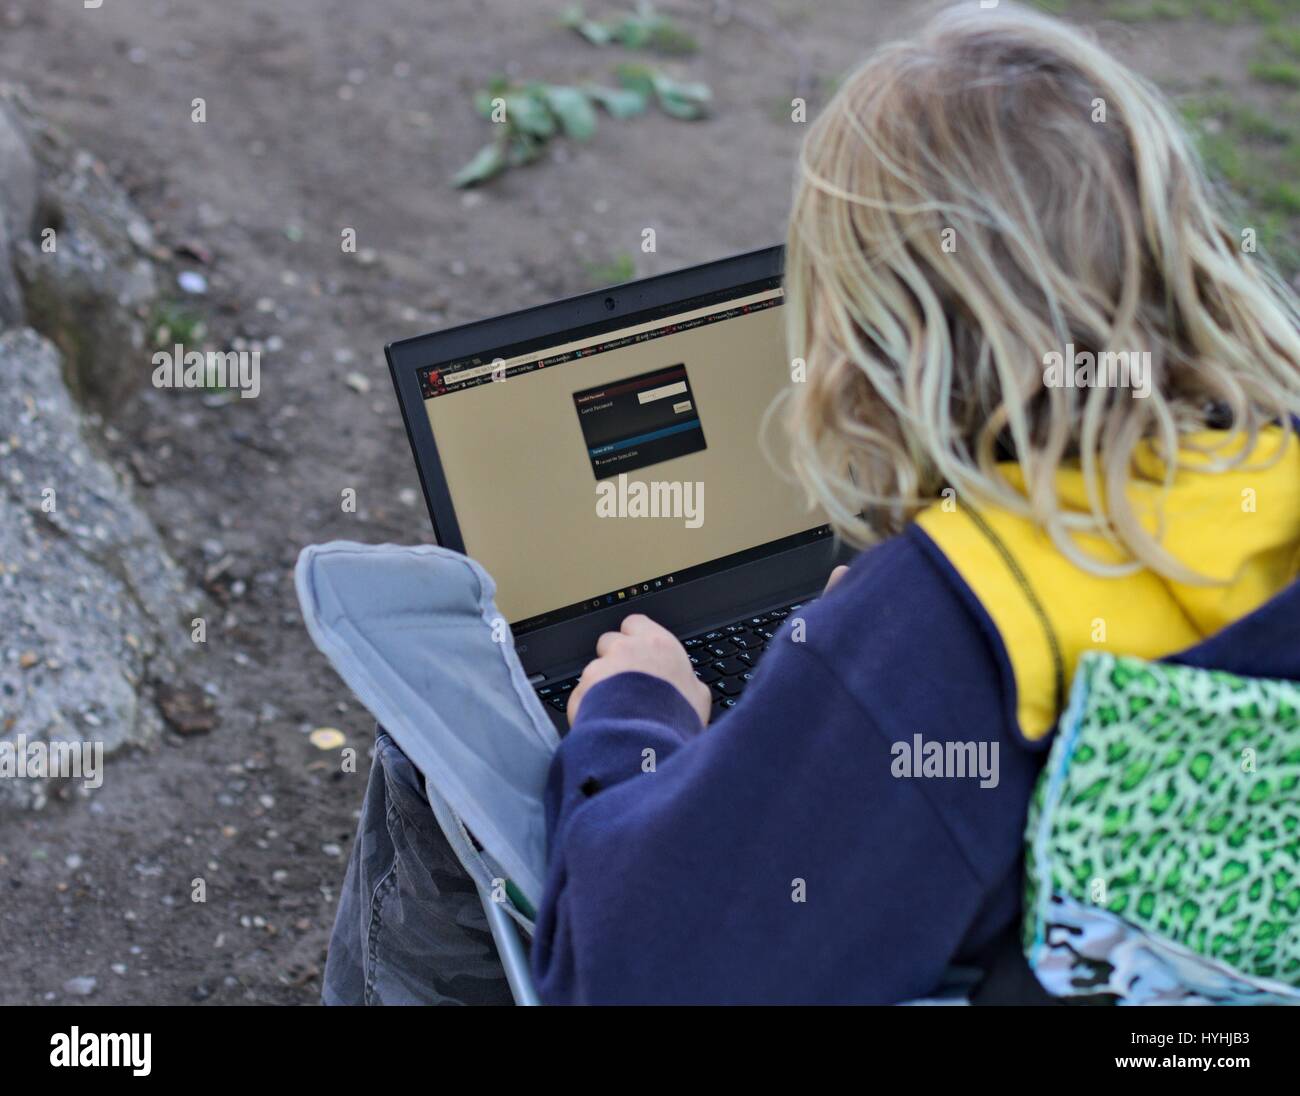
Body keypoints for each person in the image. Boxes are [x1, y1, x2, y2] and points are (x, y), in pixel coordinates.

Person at [528, 2, 1300, 1003]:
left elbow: (636, 971)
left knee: (428, 779)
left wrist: (636, 718)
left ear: (877, 332)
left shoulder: (946, 630)